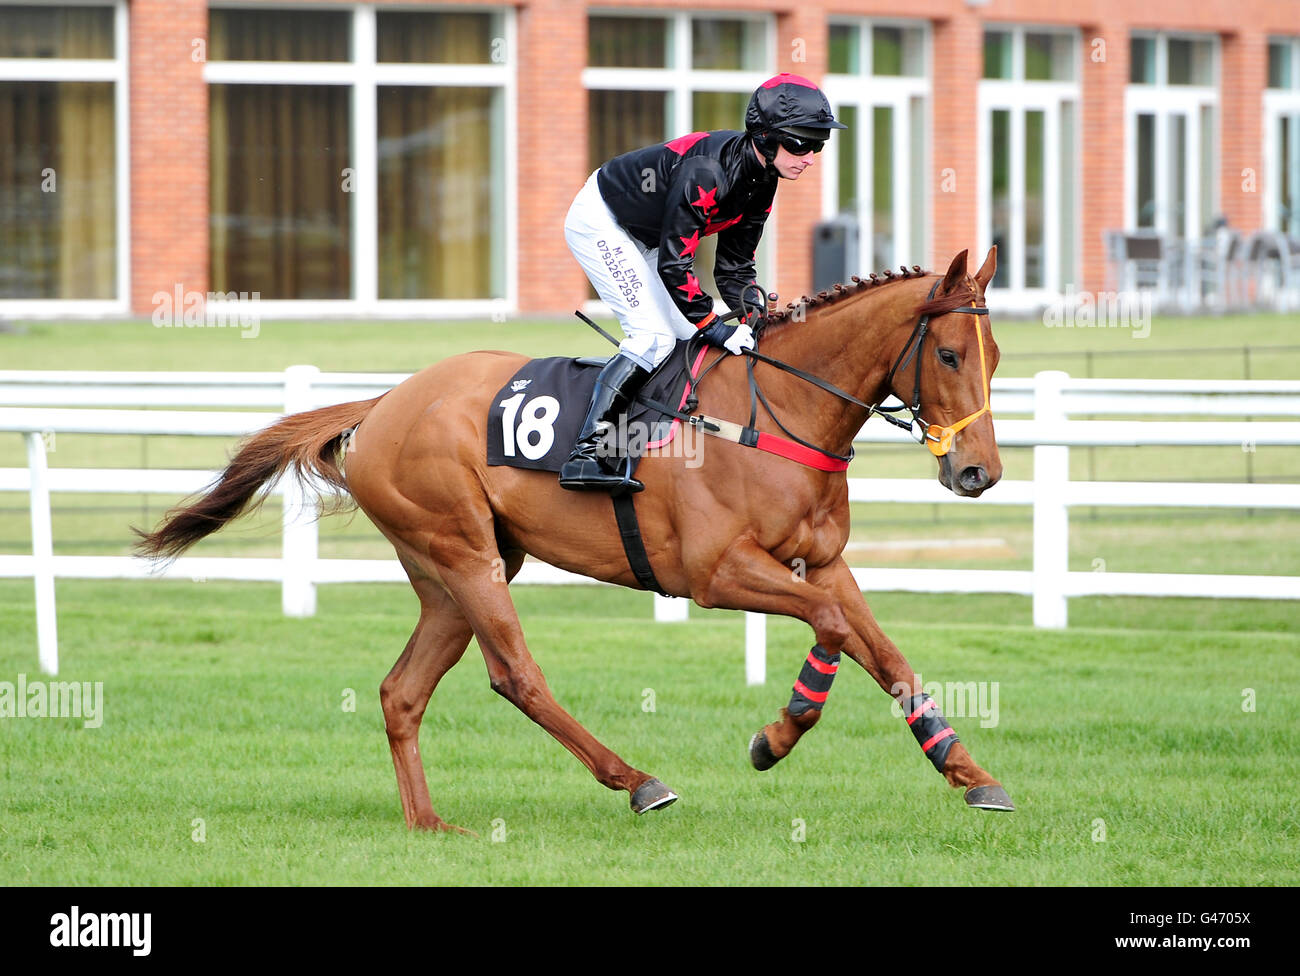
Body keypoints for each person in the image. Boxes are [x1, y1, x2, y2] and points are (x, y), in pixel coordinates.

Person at [559, 72, 847, 493]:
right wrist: (715, 326)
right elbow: (676, 266)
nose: (809, 156)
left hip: (651, 239)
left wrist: (756, 320)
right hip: (604, 222)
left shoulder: (764, 181)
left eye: (817, 145)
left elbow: (733, 266)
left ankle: (652, 443)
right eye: (801, 143)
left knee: (686, 339)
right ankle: (587, 452)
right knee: (652, 338)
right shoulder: (706, 173)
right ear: (765, 138)